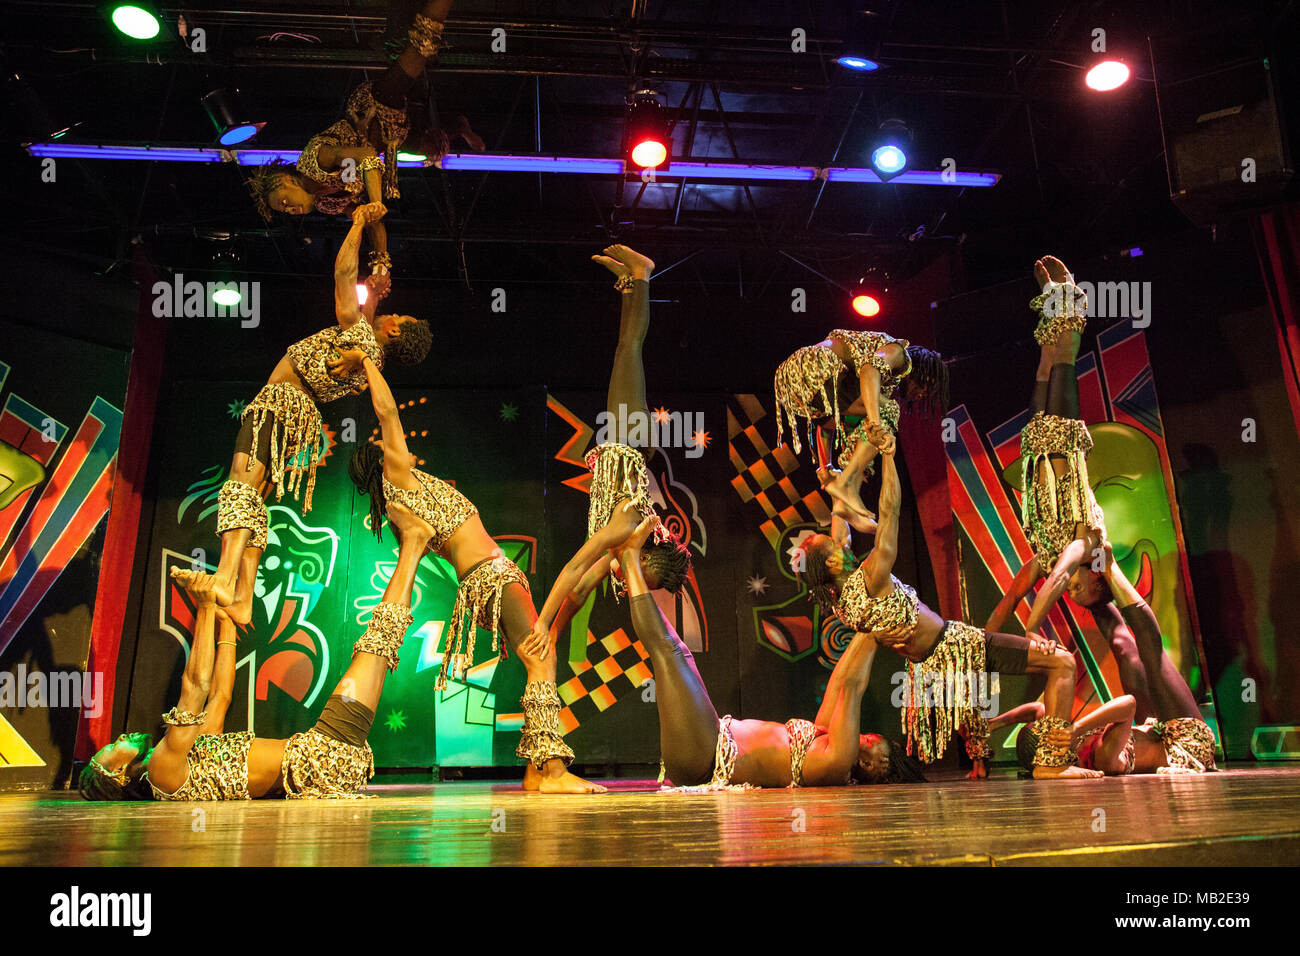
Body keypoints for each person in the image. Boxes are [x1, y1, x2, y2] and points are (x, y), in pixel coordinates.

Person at [348, 355, 605, 793]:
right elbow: (388, 411)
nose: (402, 448)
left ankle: (535, 771)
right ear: (382, 459)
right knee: (540, 657)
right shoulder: (399, 477)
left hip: (485, 580)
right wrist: (368, 360)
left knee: (537, 656)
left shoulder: (397, 503)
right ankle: (555, 772)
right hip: (493, 575)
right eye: (389, 448)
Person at [171, 207, 431, 625]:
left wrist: (358, 223)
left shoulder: (362, 338)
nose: (390, 314)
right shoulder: (371, 359)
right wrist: (378, 286)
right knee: (254, 498)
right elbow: (364, 309)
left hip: (281, 405)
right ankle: (242, 598)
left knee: (240, 484)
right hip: (298, 416)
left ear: (395, 332)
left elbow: (343, 276)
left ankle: (224, 577)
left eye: (397, 318)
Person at [795, 429, 1101, 779]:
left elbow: (840, 526)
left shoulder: (842, 601)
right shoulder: (871, 577)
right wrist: (890, 456)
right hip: (955, 647)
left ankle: (985, 764)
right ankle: (1052, 763)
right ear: (833, 564)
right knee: (1061, 663)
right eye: (833, 547)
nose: (841, 544)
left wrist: (835, 478)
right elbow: (890, 511)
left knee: (979, 705)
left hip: (930, 664)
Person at [80, 504, 433, 801]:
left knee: (379, 643)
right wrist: (203, 608)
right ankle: (415, 541)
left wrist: (227, 622)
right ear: (118, 775)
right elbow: (195, 687)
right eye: (109, 750)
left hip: (326, 764)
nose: (119, 738)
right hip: (320, 758)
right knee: (378, 640)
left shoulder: (184, 758)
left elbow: (219, 695)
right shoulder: (161, 770)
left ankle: (415, 542)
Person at [606, 516, 924, 787]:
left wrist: (876, 629)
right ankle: (629, 566)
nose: (867, 735)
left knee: (671, 653)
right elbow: (841, 681)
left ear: (870, 766)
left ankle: (632, 559)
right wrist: (870, 626)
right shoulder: (826, 737)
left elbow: (854, 687)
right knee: (674, 654)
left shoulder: (837, 761)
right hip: (710, 739)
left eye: (873, 744)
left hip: (706, 756)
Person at [246, 0, 483, 286]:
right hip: (390, 139)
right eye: (284, 210)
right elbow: (370, 221)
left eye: (283, 200)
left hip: (374, 110)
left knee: (422, 46)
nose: (289, 209)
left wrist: (376, 202)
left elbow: (365, 154)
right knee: (435, 148)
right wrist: (380, 266)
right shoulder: (327, 205)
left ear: (287, 178)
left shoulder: (315, 159)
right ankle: (460, 125)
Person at [529, 245, 692, 648]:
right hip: (628, 437)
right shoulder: (626, 526)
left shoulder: (622, 548)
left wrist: (552, 635)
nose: (628, 578)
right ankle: (642, 274)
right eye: (642, 574)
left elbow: (580, 588)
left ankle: (627, 286)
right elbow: (571, 568)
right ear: (647, 556)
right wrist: (540, 624)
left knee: (626, 349)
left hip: (626, 440)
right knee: (629, 348)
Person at [1012, 540, 1217, 775]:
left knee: (1124, 650)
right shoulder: (1101, 759)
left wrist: (994, 723)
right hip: (1187, 744)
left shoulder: (1082, 748)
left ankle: (1093, 594)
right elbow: (1128, 704)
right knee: (1152, 655)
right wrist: (1076, 729)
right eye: (1048, 730)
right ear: (1053, 748)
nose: (1052, 723)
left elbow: (1036, 709)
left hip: (1156, 730)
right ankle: (1108, 565)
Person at [985, 255, 1107, 639]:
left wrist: (983, 641)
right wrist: (1033, 629)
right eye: (1081, 591)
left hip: (1037, 445)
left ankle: (1051, 297)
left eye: (1073, 595)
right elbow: (1057, 578)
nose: (1072, 591)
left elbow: (1011, 597)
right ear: (1096, 581)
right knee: (1064, 361)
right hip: (1062, 445)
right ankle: (1067, 291)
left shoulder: (1047, 556)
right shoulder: (1088, 544)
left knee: (1044, 365)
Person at [773, 328, 947, 531]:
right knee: (887, 411)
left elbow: (828, 423)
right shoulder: (899, 353)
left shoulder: (866, 387)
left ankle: (844, 498)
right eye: (926, 385)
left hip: (793, 386)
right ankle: (846, 485)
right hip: (813, 365)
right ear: (921, 370)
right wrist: (876, 424)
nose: (922, 395)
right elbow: (869, 370)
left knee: (865, 427)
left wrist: (826, 466)